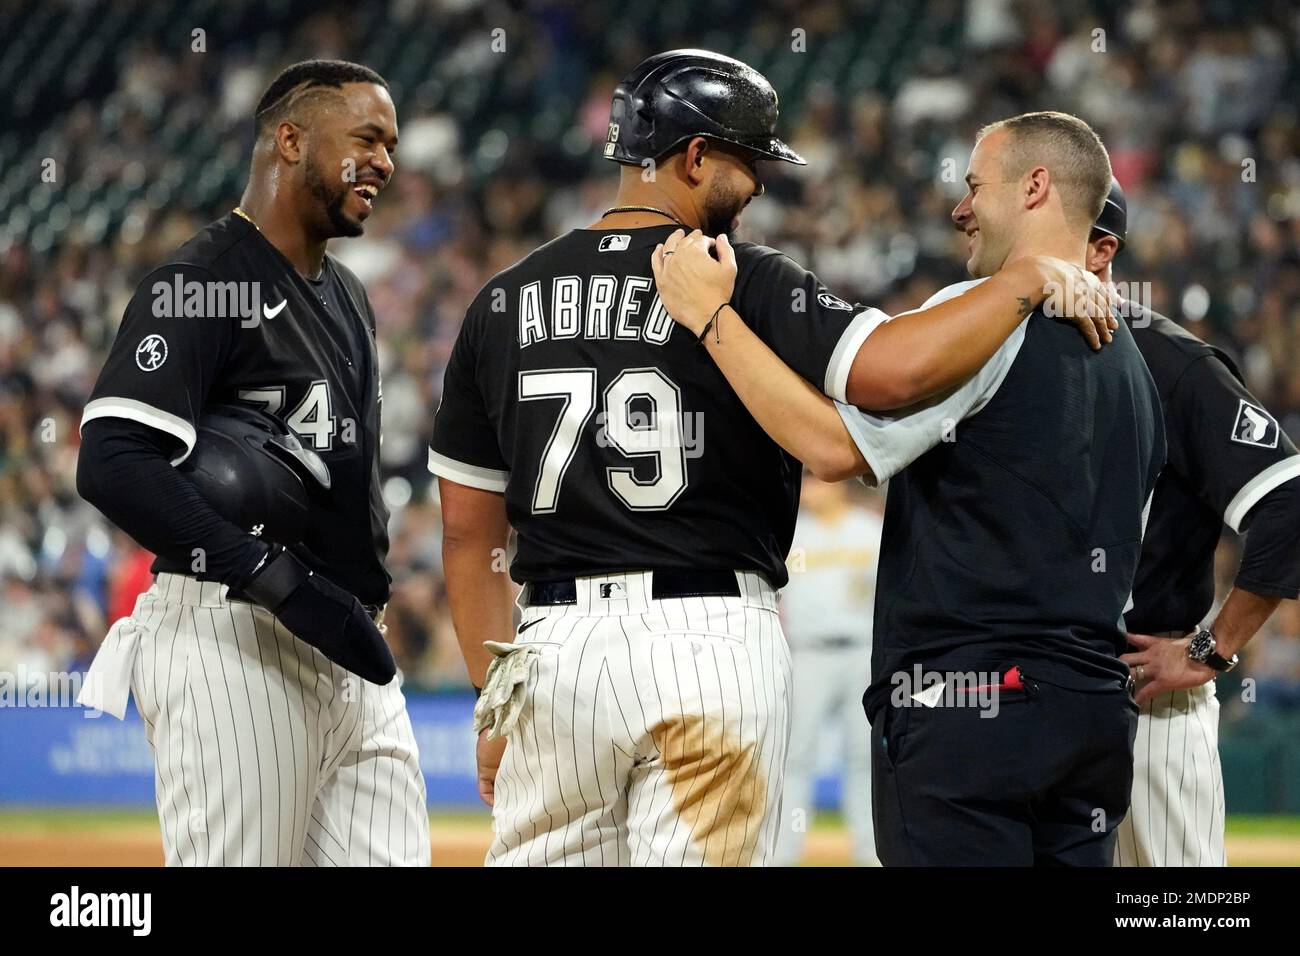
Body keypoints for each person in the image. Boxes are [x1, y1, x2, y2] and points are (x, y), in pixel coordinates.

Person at [429, 52, 1112, 867]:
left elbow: (469, 539)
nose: (755, 185)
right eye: (748, 163)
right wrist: (1026, 278)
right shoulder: (742, 278)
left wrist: (489, 701)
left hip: (550, 650)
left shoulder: (500, 299)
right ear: (694, 158)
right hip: (706, 636)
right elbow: (889, 373)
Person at [652, 111, 1163, 865]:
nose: (959, 208)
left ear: (1035, 187)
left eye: (974, 186)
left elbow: (833, 446)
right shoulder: (1135, 366)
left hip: (968, 698)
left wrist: (712, 319)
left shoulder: (983, 319)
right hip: (1092, 712)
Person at [75, 60, 430, 866]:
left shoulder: (347, 297)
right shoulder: (202, 282)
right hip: (233, 634)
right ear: (291, 138)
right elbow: (111, 459)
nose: (386, 161)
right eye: (367, 139)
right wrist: (269, 574)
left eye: (393, 145)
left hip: (347, 644)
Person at [1086, 179, 1300, 866]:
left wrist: (1212, 649)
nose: (965, 214)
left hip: (1146, 698)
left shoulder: (1170, 363)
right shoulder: (993, 355)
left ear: (1099, 247)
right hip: (1032, 697)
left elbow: (1288, 501)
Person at [773, 475, 882, 867]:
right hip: (809, 652)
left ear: (836, 485)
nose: (808, 492)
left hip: (862, 651)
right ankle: (784, 854)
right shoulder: (792, 533)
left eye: (815, 484)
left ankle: (870, 854)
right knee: (795, 755)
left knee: (863, 755)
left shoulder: (870, 530)